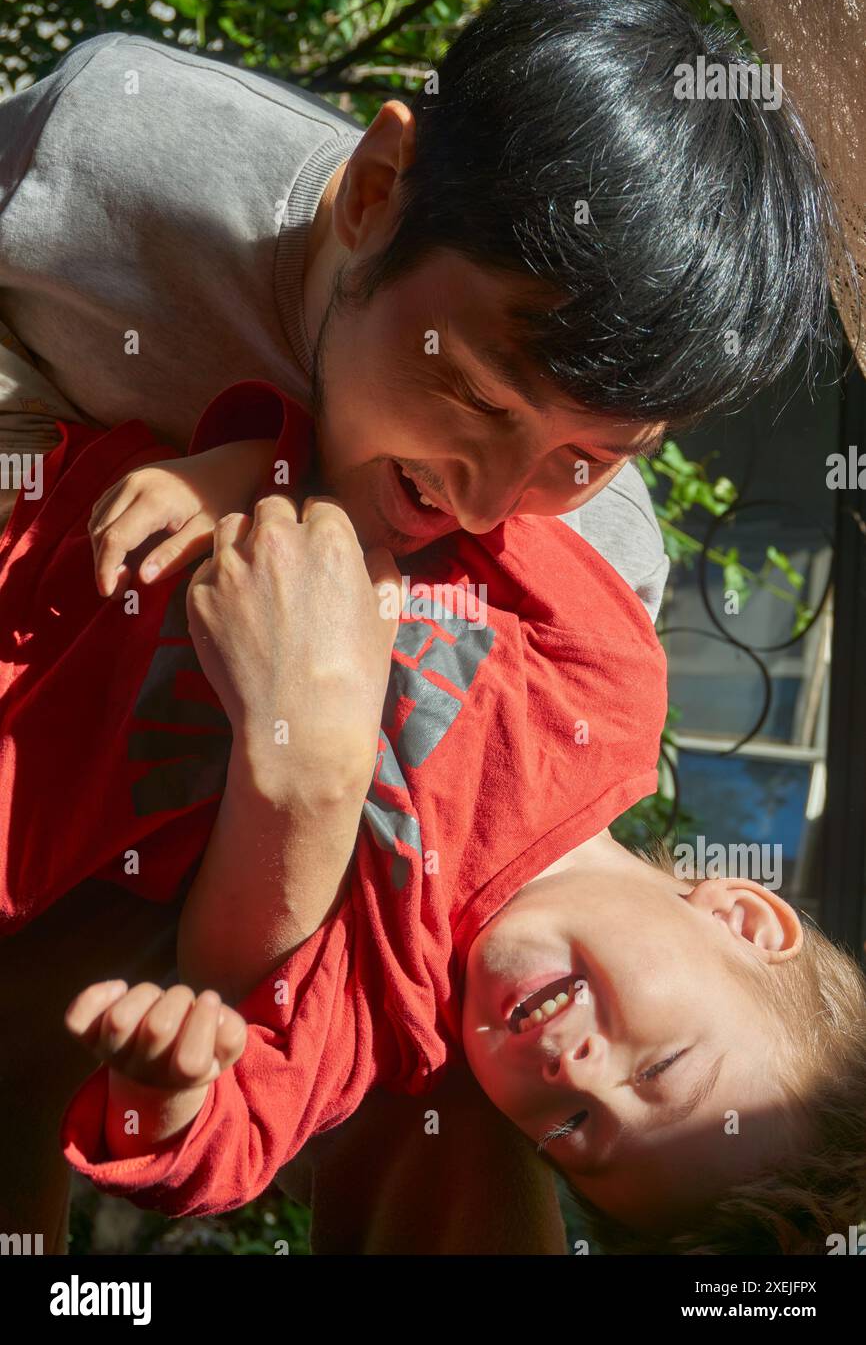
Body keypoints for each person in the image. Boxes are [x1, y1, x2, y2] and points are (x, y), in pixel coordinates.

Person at [50, 386, 866, 1256]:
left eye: (570, 1131)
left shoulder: (401, 1019)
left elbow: (238, 1135)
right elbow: (447, 489)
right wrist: (255, 474)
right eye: (662, 1070)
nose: (577, 1076)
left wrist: (164, 1088)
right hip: (90, 506)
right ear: (743, 919)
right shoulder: (611, 688)